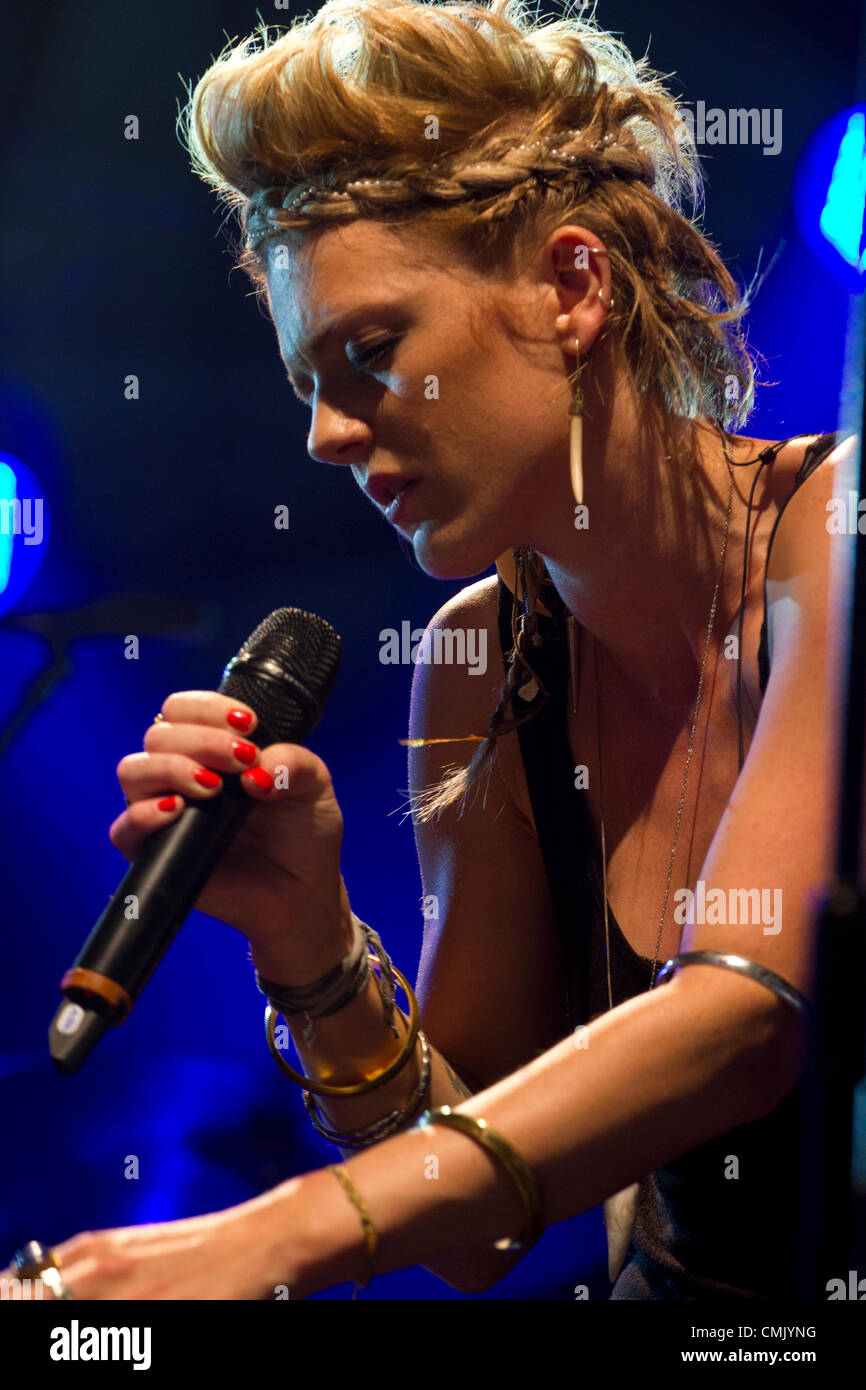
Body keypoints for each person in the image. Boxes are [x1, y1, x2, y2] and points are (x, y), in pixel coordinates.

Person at [5, 0, 855, 1301]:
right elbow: (471, 1227)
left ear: (572, 286)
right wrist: (310, 935)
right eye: (307, 383)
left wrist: (265, 1234)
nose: (325, 438)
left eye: (371, 352)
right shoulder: (479, 660)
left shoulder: (834, 533)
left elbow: (747, 1016)